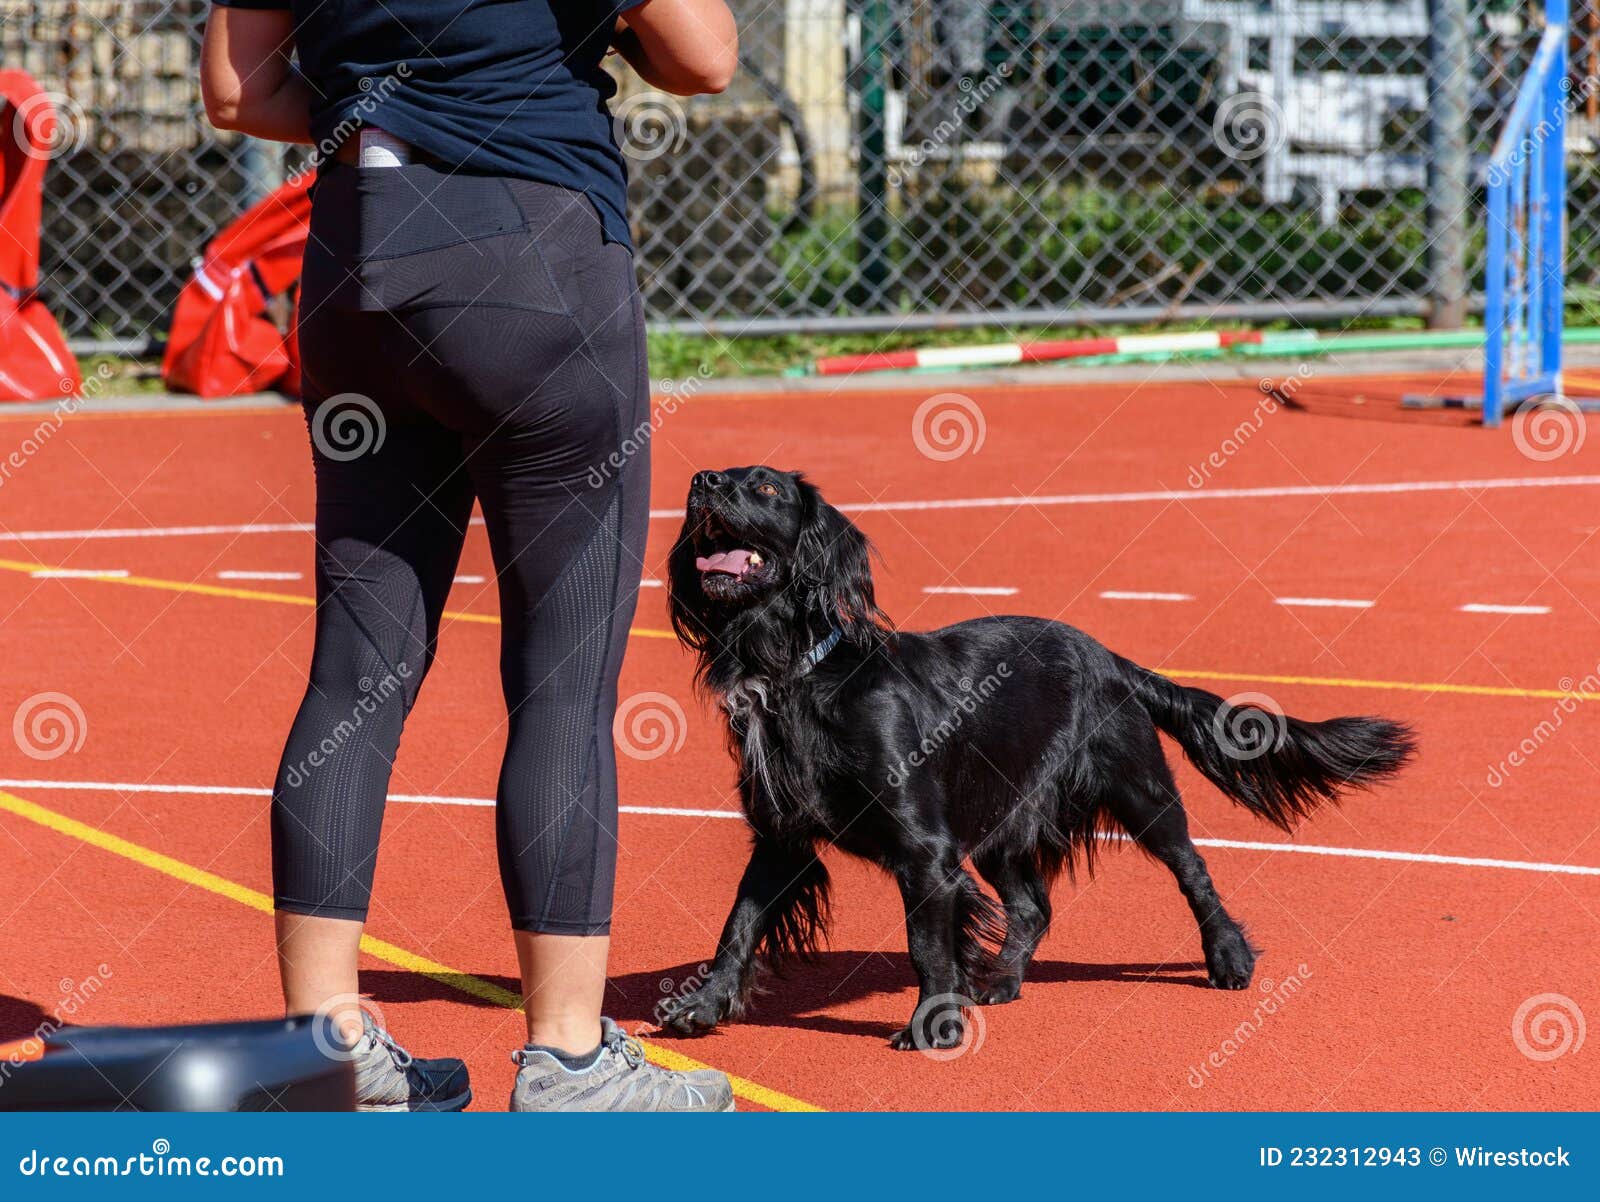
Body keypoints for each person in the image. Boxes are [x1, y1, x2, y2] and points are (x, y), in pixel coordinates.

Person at [201, 0, 738, 1112]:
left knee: (354, 673)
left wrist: (379, 103)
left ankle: (326, 1048)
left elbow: (236, 89)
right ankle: (570, 1059)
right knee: (560, 680)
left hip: (355, 265)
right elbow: (706, 57)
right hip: (533, 255)